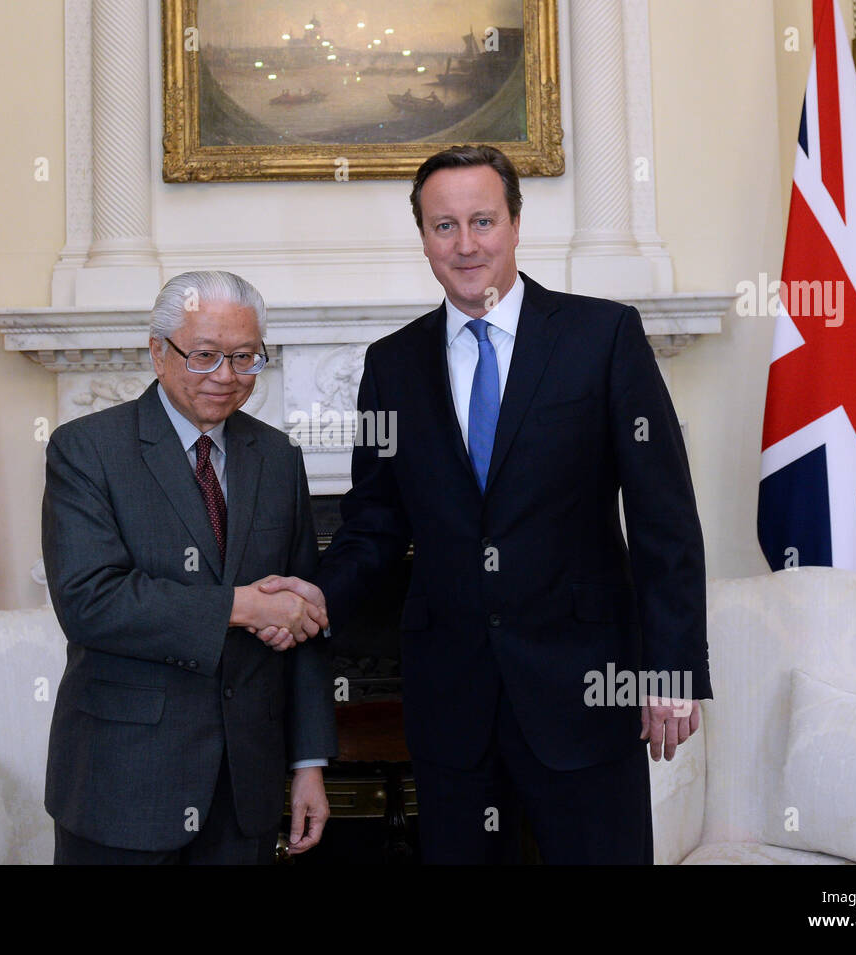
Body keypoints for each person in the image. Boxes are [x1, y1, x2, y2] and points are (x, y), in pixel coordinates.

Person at [261, 145, 711, 863]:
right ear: (423, 238)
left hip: (586, 690)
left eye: (481, 221)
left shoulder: (603, 337)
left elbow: (665, 516)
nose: (465, 244)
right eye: (444, 226)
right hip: (453, 702)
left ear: (516, 223)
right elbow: (374, 527)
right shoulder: (392, 365)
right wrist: (315, 593)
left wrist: (672, 667)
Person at [42, 270, 337, 864]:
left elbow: (304, 620)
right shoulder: (86, 449)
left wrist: (308, 764)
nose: (226, 377)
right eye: (204, 355)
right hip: (122, 784)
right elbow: (90, 603)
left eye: (244, 357)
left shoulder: (277, 457)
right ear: (158, 350)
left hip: (245, 788)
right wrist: (247, 607)